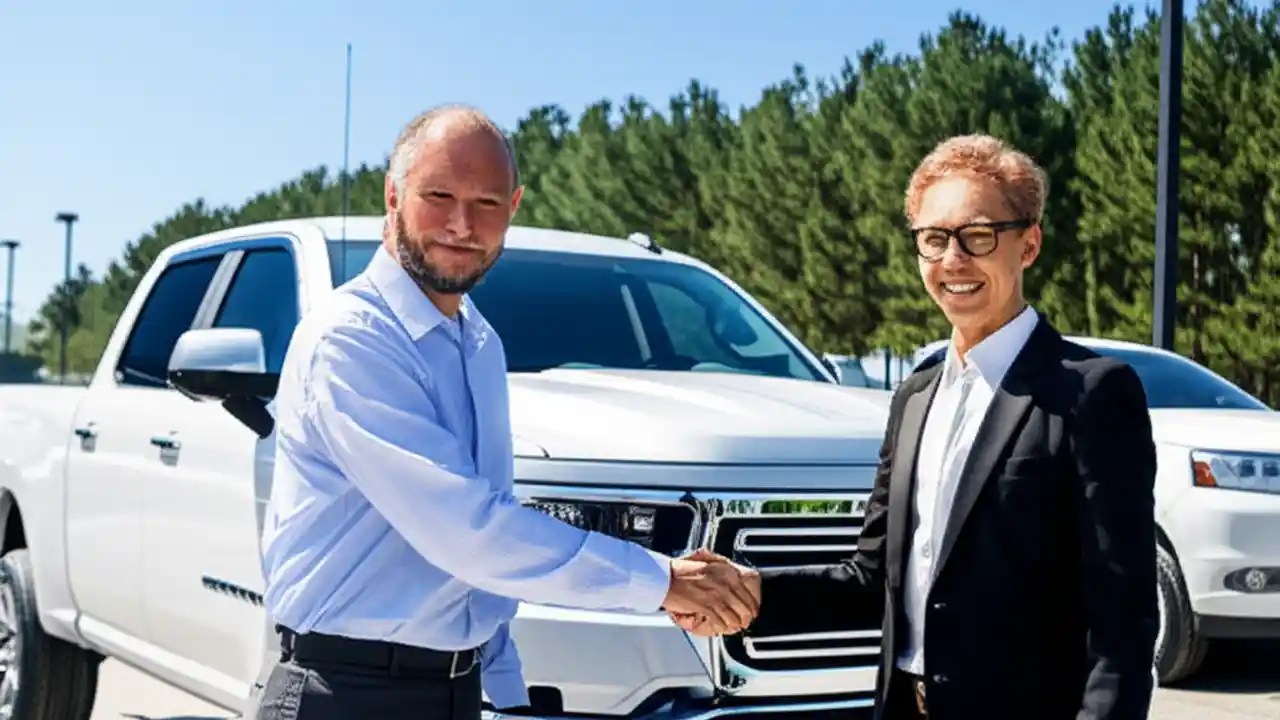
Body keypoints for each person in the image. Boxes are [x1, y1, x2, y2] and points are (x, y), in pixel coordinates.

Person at [249, 105, 760, 720]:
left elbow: (477, 565)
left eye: (486, 203)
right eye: (438, 195)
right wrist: (664, 582)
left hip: (457, 690)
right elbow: (469, 531)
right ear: (393, 194)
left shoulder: (478, 343)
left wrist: (505, 688)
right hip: (344, 691)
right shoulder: (352, 339)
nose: (461, 224)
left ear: (513, 207)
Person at [683, 134, 1160, 719]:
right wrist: (752, 590)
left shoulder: (1090, 392)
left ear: (1028, 244)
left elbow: (1123, 617)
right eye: (934, 240)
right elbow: (872, 580)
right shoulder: (913, 399)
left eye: (978, 236)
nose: (953, 260)